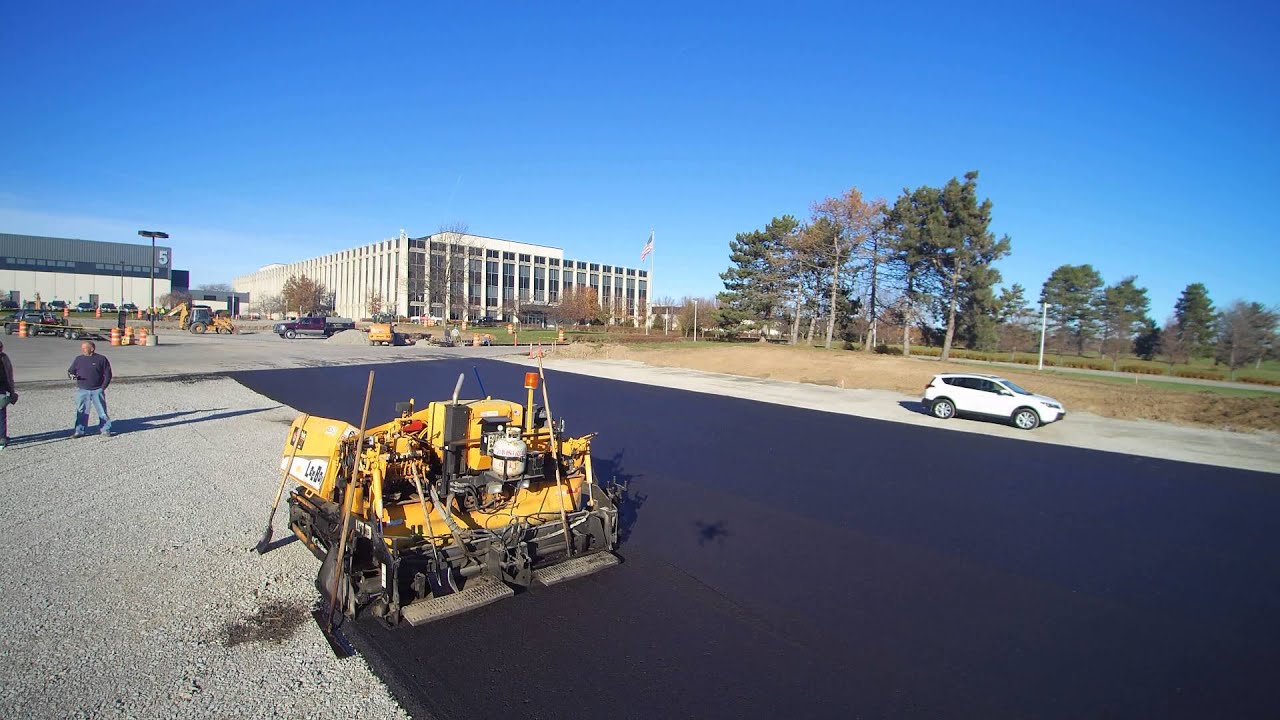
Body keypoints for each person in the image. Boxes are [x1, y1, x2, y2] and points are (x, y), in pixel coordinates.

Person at [68, 340, 113, 438]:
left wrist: (103, 387)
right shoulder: (78, 359)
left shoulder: (101, 359)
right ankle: (79, 431)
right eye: (82, 348)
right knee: (81, 411)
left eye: (85, 348)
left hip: (97, 390)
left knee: (102, 411)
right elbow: (71, 371)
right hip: (82, 390)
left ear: (92, 348)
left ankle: (105, 429)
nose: (82, 350)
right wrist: (71, 375)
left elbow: (108, 375)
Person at [0, 340, 16, 448]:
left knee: (1, 415)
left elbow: (9, 375)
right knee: (1, 415)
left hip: (2, 390)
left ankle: (2, 437)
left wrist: (11, 390)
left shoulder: (4, 358)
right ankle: (2, 437)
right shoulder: (4, 358)